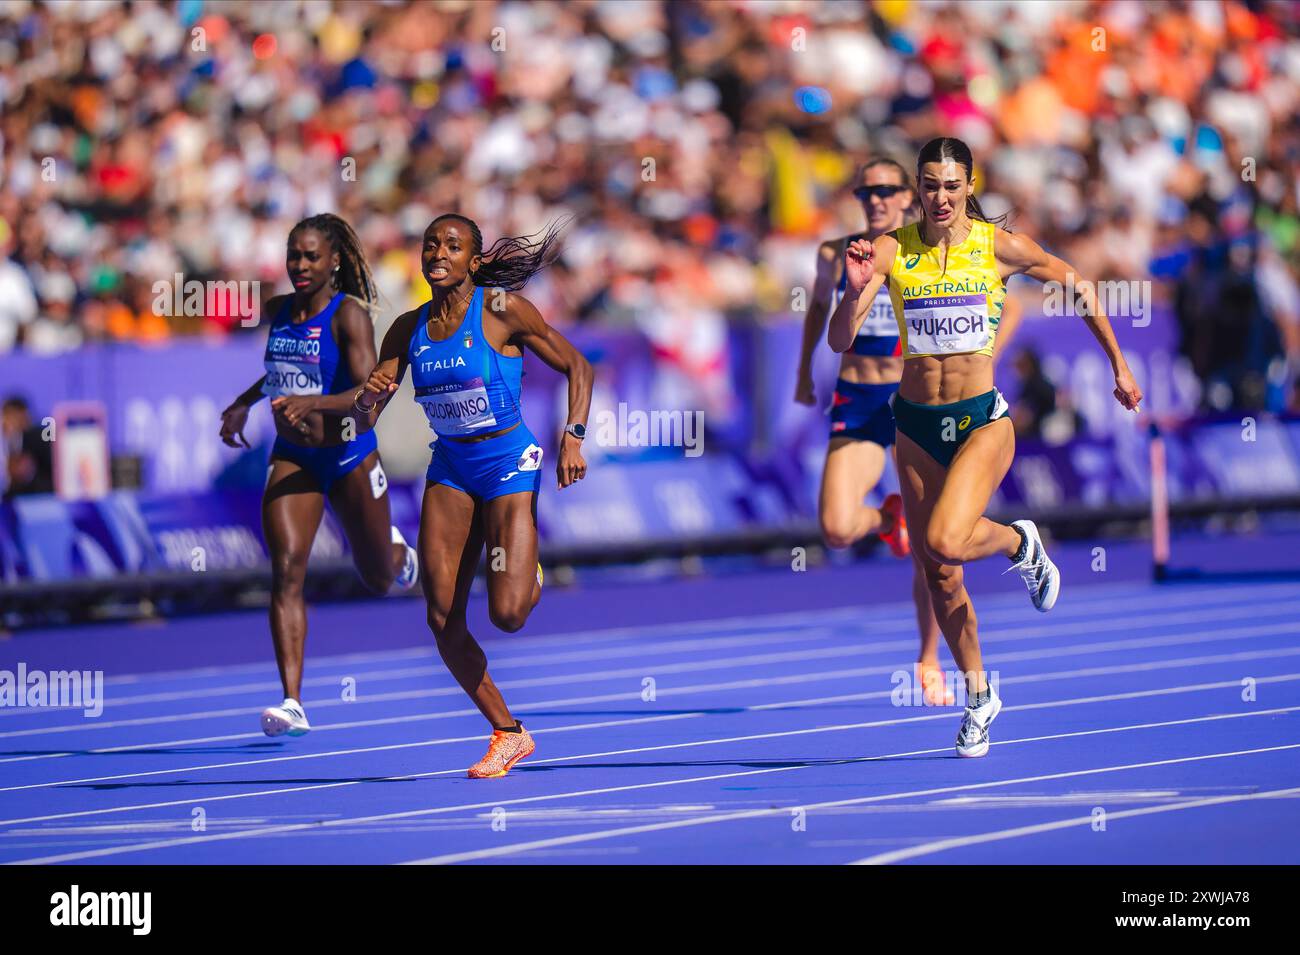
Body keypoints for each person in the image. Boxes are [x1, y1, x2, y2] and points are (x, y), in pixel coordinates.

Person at [829, 137, 1142, 757]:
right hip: (914, 424)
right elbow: (841, 339)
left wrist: (1119, 365)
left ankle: (1020, 540)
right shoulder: (892, 251)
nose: (939, 197)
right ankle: (979, 695)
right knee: (939, 573)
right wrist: (853, 286)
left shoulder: (998, 247)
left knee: (947, 539)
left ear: (968, 186)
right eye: (929, 184)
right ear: (917, 189)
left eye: (951, 185)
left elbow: (1078, 285)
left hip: (979, 421)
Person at [353, 214, 593, 778]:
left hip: (509, 464)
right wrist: (367, 398)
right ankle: (507, 732)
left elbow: (578, 365)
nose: (438, 253)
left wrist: (573, 437)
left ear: (475, 261)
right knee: (441, 618)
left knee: (508, 614)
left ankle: (526, 573)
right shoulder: (407, 330)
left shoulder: (501, 311)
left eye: (452, 246)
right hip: (453, 470)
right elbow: (367, 413)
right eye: (430, 244)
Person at [218, 213, 417, 738]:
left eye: (311, 256)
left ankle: (397, 552)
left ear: (333, 261)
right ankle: (293, 702)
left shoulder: (347, 316)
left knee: (376, 577)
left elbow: (373, 390)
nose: (300, 265)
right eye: (293, 256)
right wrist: (242, 403)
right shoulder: (280, 311)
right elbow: (282, 372)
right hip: (294, 457)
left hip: (350, 454)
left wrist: (318, 405)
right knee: (286, 571)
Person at [795, 158, 948, 705]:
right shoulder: (836, 253)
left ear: (909, 198)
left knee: (934, 548)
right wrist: (802, 372)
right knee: (836, 527)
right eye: (867, 191)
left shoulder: (927, 251)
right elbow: (816, 311)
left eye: (887, 190)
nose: (876, 199)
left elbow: (1001, 305)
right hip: (857, 397)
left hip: (912, 397)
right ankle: (888, 517)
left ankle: (929, 656)